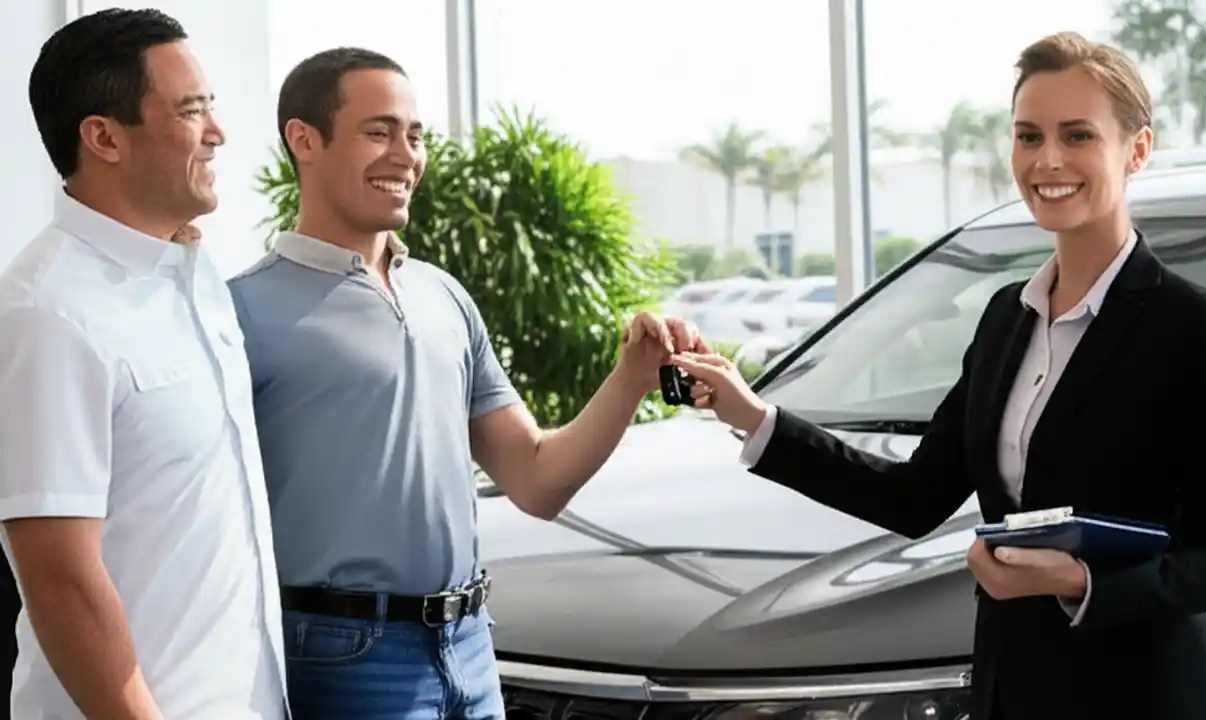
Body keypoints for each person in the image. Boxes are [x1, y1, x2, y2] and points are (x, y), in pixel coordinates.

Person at [671, 31, 1206, 720]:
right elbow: (914, 497)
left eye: (1077, 136)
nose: (1047, 160)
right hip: (1010, 688)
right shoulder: (1005, 321)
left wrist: (1083, 581)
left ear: (1136, 150)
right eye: (1028, 136)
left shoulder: (1192, 328)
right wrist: (750, 415)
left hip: (1141, 695)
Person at [226, 47, 704, 719]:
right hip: (340, 660)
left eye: (415, 136)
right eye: (378, 131)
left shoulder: (443, 296)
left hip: (471, 646)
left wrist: (630, 379)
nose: (406, 155)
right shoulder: (239, 313)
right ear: (303, 140)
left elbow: (537, 479)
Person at [0, 9, 288, 719]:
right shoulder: (48, 311)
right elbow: (59, 577)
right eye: (192, 111)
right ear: (102, 137)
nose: (218, 132)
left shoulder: (196, 276)